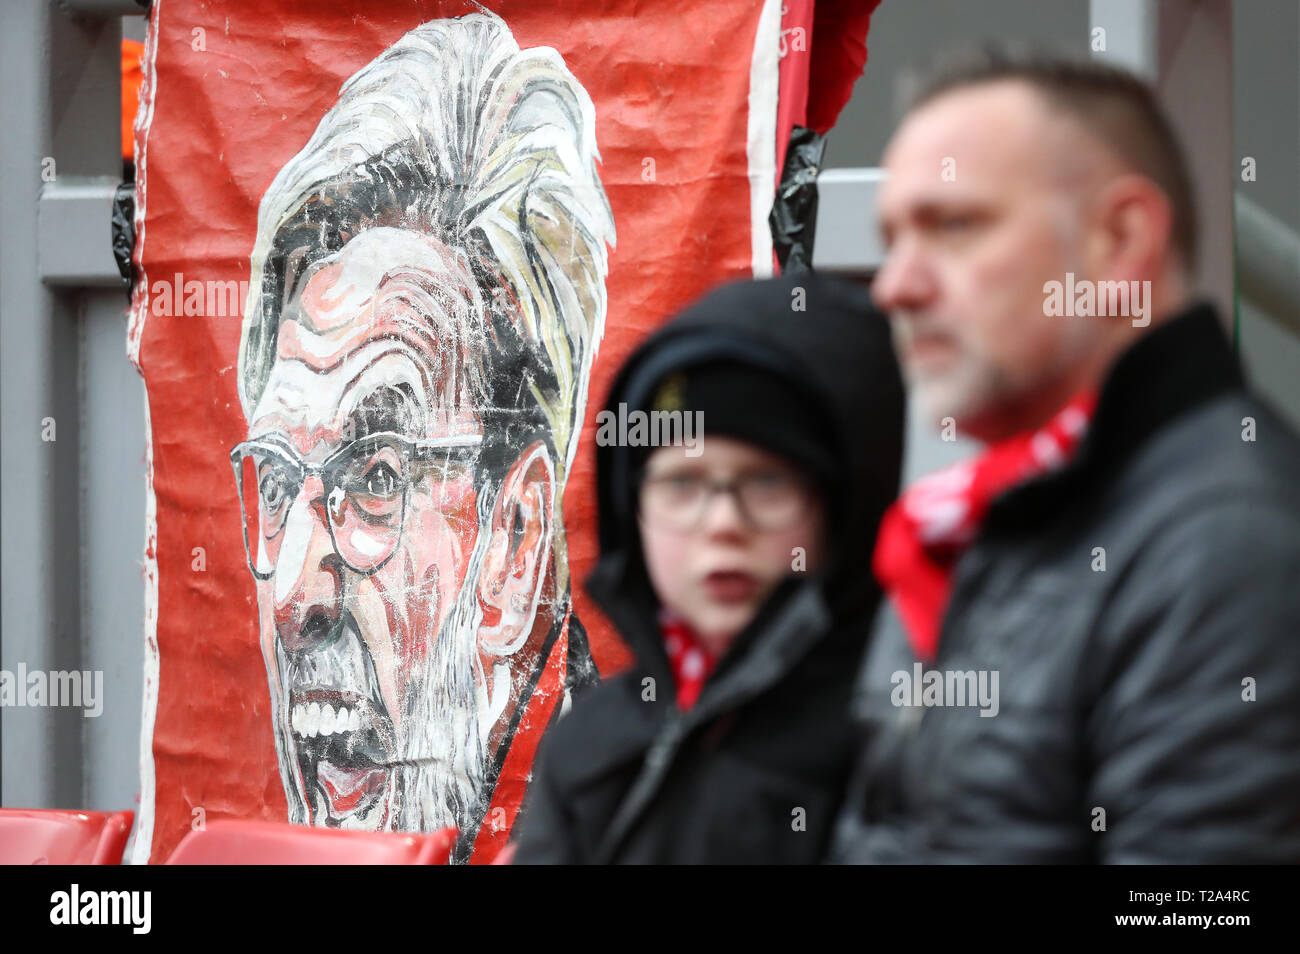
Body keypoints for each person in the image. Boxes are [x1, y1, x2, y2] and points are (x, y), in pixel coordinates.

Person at [833, 47, 1300, 863]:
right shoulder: (992, 517)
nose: (894, 286)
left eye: (954, 225)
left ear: (1122, 241)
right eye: (891, 237)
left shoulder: (1226, 539)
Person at [230, 11, 614, 856]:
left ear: (514, 546)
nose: (296, 592)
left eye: (376, 478)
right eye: (280, 483)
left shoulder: (636, 829)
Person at [512, 272, 904, 863]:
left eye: (767, 481)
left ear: (842, 509)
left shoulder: (902, 739)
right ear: (631, 512)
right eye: (682, 483)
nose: (724, 523)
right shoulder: (588, 743)